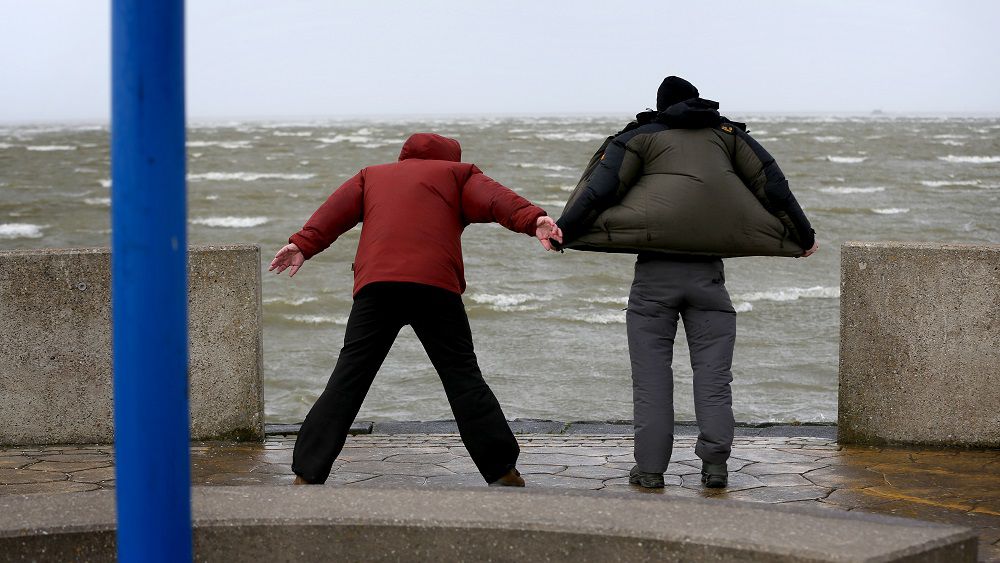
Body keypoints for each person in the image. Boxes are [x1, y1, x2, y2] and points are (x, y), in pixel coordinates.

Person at [554, 76, 818, 489]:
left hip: (654, 278)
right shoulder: (729, 137)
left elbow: (601, 190)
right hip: (707, 278)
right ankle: (715, 467)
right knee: (714, 376)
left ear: (660, 107)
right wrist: (803, 236)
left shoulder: (639, 138)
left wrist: (563, 232)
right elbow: (773, 187)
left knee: (651, 377)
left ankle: (650, 470)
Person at [271, 132, 562, 487]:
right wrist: (534, 220)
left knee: (348, 379)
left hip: (377, 287)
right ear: (451, 158)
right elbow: (496, 200)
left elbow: (335, 212)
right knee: (462, 378)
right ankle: (502, 471)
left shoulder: (372, 175)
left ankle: (307, 473)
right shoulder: (458, 175)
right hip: (435, 287)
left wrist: (303, 244)